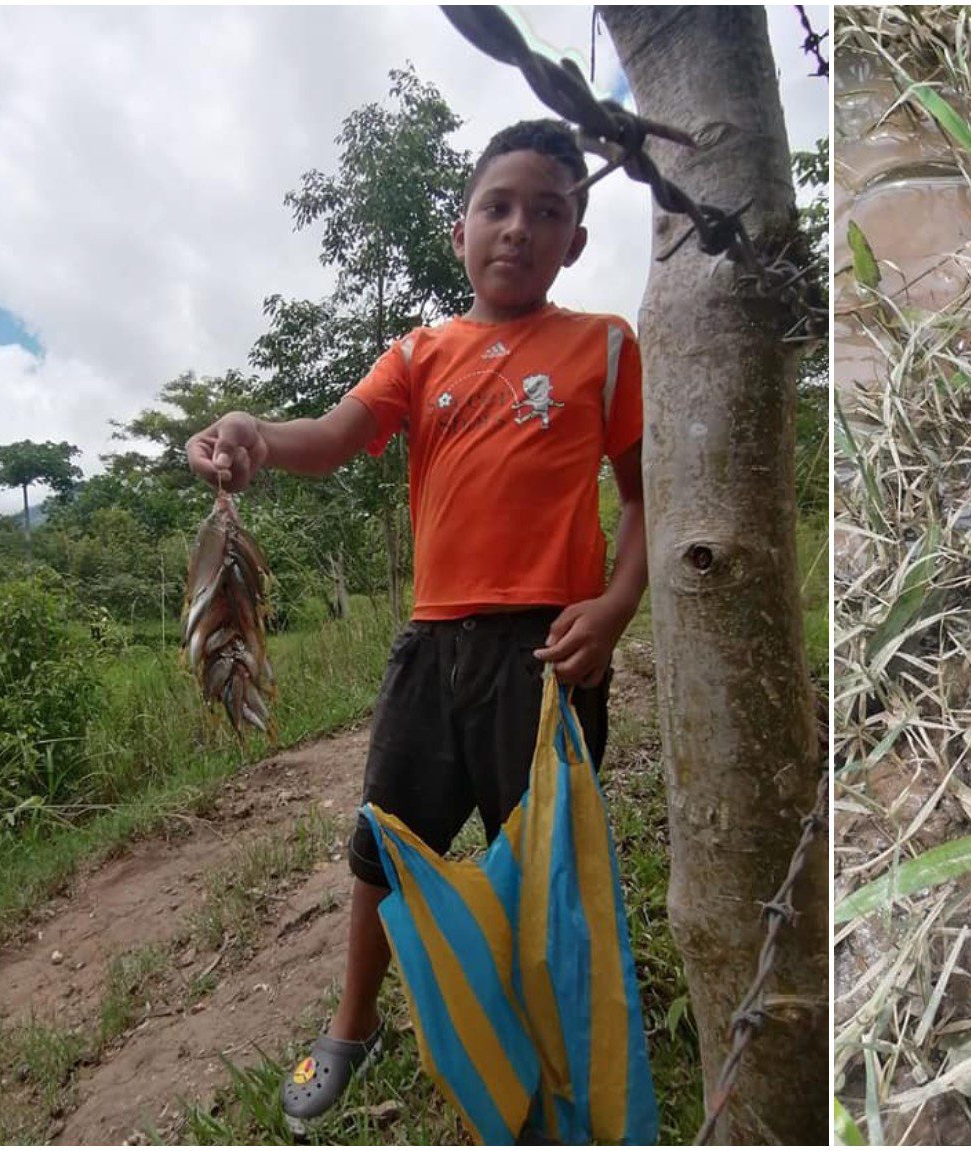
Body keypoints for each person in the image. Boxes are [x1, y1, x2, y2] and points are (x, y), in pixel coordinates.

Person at [185, 119, 647, 1135]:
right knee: (381, 844)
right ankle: (353, 1024)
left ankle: (543, 1034)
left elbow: (649, 497)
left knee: (542, 860)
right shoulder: (419, 353)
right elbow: (334, 436)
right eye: (498, 206)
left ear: (574, 239)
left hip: (549, 651)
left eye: (547, 211)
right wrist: (256, 434)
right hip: (432, 646)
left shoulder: (605, 348)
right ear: (459, 229)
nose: (518, 228)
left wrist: (614, 609)